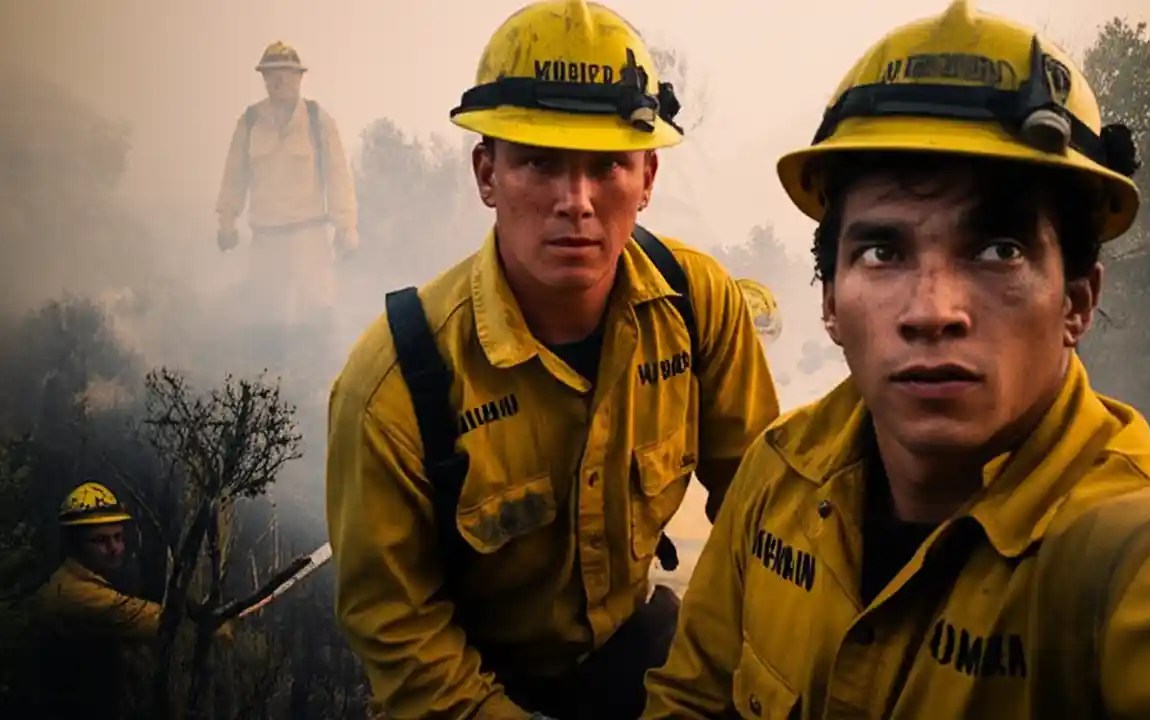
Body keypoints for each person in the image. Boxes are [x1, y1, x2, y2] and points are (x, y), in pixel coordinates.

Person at [643, 1, 1150, 718]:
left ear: (1076, 300)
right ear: (829, 303)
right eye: (883, 253)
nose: (932, 310)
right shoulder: (779, 475)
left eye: (997, 250)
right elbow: (691, 699)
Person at [324, 2, 779, 719]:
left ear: (648, 176)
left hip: (634, 649)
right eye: (538, 162)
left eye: (607, 166)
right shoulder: (393, 385)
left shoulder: (697, 306)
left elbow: (766, 520)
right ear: (486, 173)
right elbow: (398, 626)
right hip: (467, 687)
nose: (576, 202)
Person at [215, 40, 358, 352]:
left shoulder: (317, 120)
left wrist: (346, 228)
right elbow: (233, 176)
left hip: (309, 234)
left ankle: (316, 383)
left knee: (318, 313)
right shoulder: (251, 121)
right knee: (265, 317)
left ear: (299, 78)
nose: (276, 81)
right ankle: (267, 389)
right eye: (269, 75)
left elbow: (337, 177)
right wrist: (227, 221)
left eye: (284, 74)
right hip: (265, 237)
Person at [36, 482, 163, 718]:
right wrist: (219, 625)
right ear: (73, 545)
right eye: (100, 540)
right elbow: (154, 621)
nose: (115, 548)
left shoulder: (78, 581)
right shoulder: (76, 594)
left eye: (118, 537)